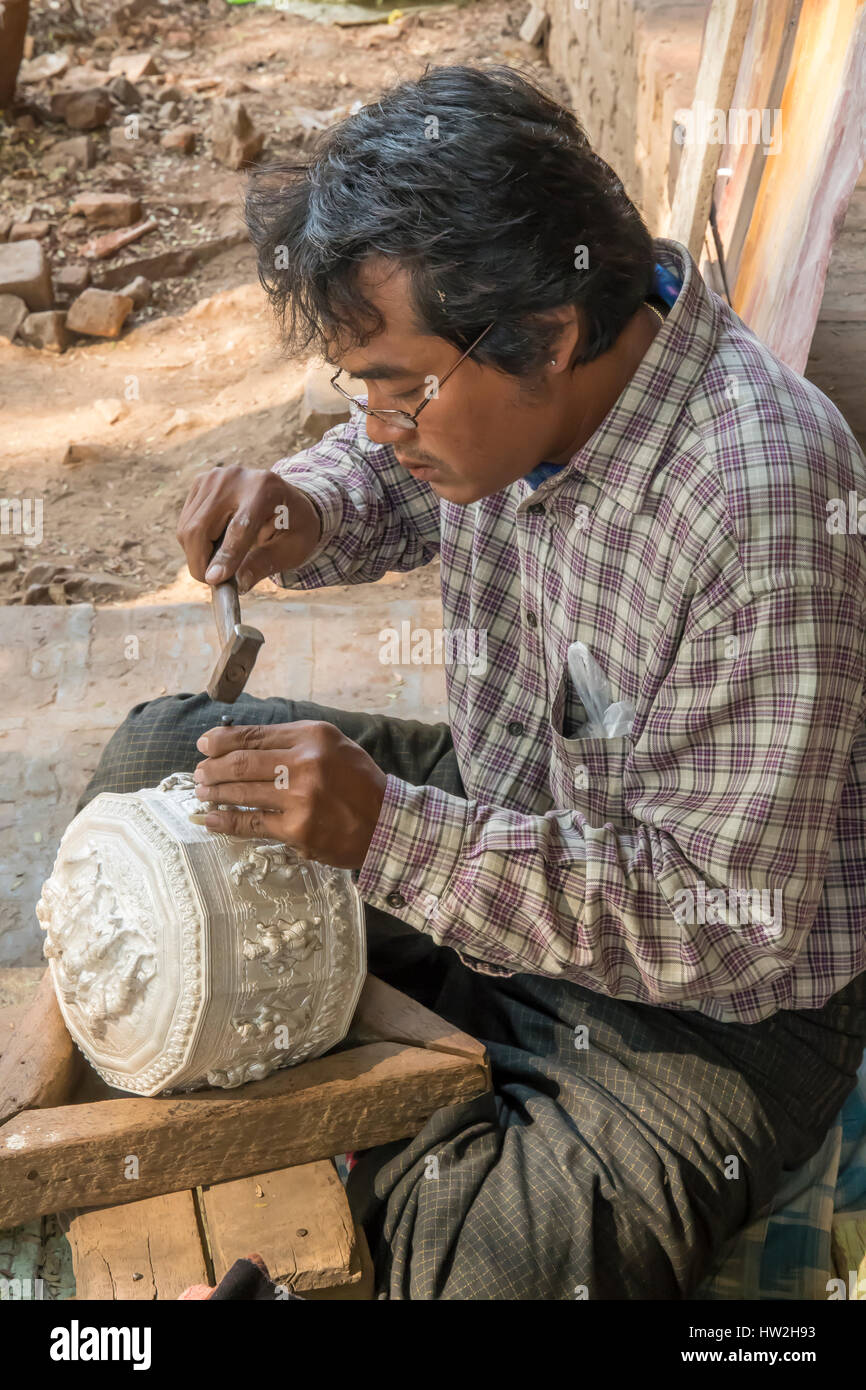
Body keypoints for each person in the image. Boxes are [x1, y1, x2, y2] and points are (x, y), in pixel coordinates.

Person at [80, 65, 866, 1300]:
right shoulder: (525, 376)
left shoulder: (764, 503)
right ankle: (418, 1066)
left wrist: (392, 841)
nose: (380, 420)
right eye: (364, 389)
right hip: (517, 802)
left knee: (478, 1273)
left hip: (708, 999)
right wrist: (308, 505)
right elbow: (409, 458)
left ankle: (413, 1103)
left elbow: (726, 923)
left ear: (545, 336)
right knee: (155, 763)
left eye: (399, 388)